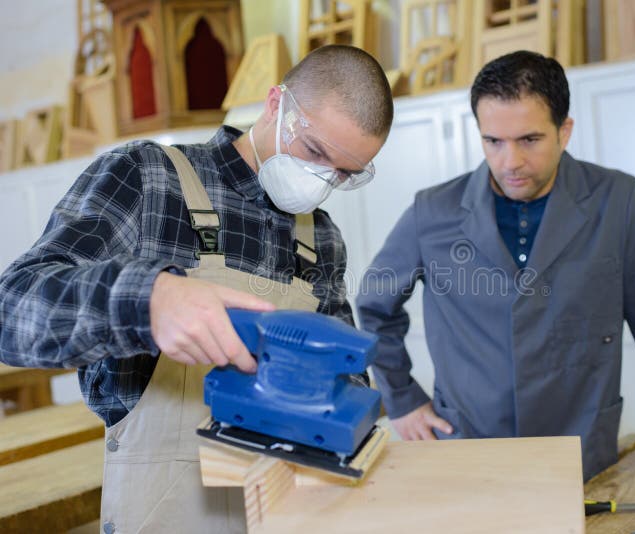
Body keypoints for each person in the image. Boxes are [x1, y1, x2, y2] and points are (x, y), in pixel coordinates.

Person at [0, 45, 393, 532]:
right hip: (166, 510)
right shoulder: (147, 178)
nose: (321, 179)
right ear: (276, 104)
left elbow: (340, 376)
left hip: (285, 508)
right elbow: (13, 309)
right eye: (314, 152)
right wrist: (149, 300)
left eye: (343, 174)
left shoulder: (322, 238)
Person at [356, 50, 635, 481]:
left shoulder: (618, 201)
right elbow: (375, 305)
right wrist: (402, 399)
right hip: (469, 449)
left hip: (580, 453)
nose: (510, 161)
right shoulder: (432, 212)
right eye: (493, 141)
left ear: (564, 131)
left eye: (529, 139)